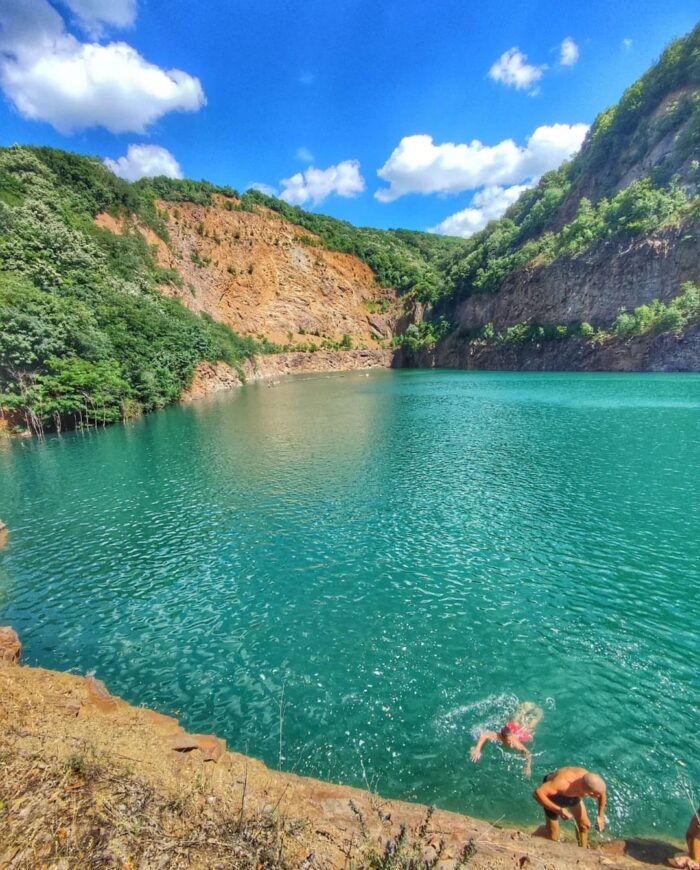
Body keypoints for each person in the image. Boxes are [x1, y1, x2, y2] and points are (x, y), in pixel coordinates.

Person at [532, 766, 606, 848]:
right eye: (597, 795)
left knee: (584, 825)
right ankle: (533, 835)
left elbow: (602, 793)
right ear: (591, 793)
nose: (600, 796)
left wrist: (600, 816)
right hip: (554, 796)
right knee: (552, 836)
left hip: (572, 794)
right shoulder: (562, 783)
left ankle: (583, 851)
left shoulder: (591, 781)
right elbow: (537, 793)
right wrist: (559, 810)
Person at [470, 702, 543, 776]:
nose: (509, 742)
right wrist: (477, 749)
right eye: (507, 740)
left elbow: (528, 753)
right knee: (516, 720)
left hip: (521, 734)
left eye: (509, 740)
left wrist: (528, 767)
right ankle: (526, 707)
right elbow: (484, 735)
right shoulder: (500, 736)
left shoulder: (516, 743)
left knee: (529, 727)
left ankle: (537, 710)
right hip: (511, 728)